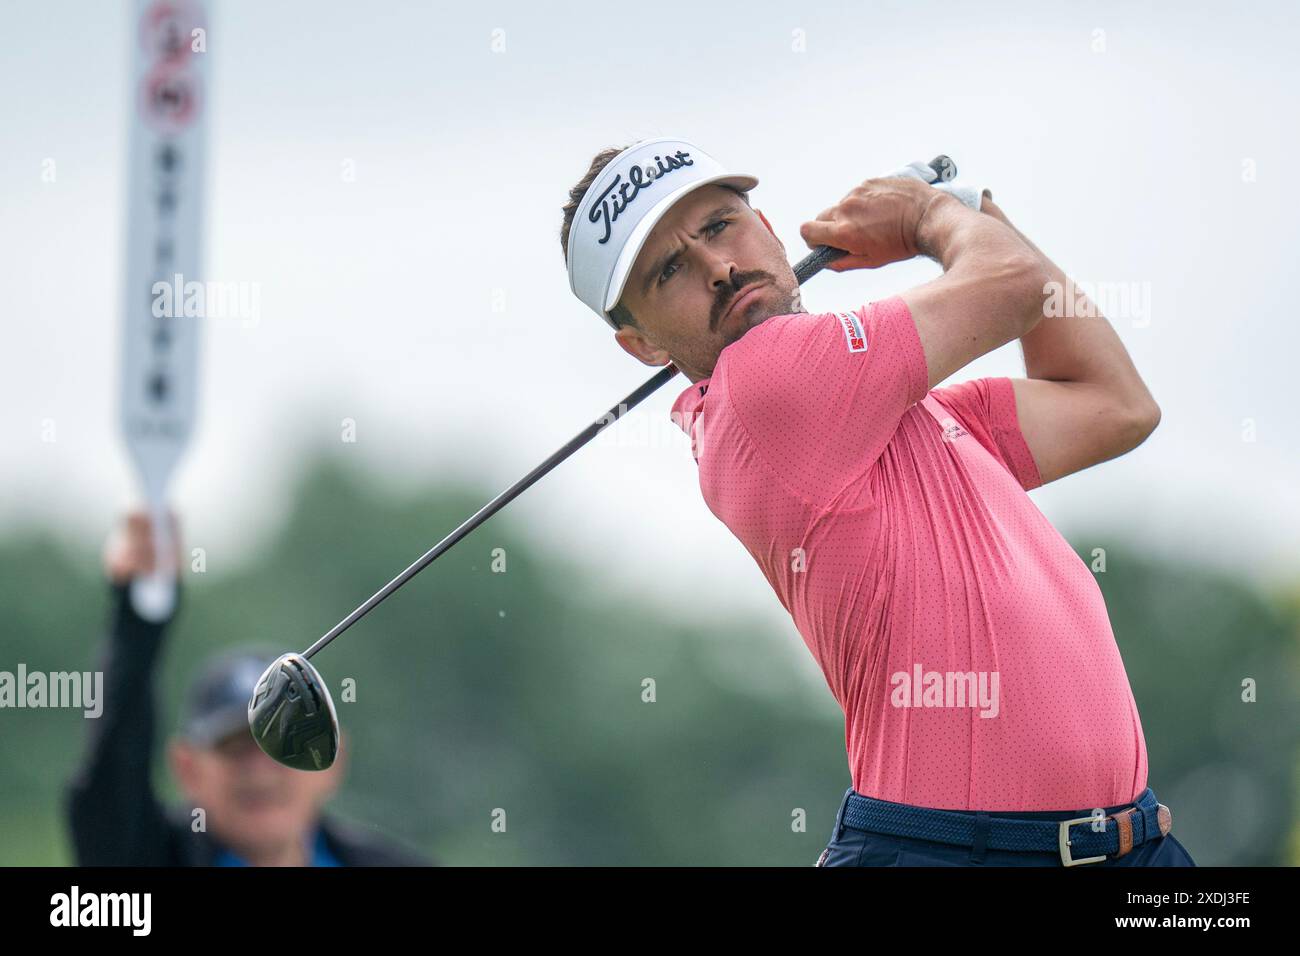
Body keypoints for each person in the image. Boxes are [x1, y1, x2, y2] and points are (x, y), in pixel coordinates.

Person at [557, 137, 1195, 867]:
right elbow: (1015, 283)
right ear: (640, 343)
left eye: (719, 226)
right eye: (671, 269)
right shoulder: (763, 384)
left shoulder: (920, 421)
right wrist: (932, 214)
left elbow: (1115, 405)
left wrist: (976, 212)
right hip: (953, 854)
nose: (719, 268)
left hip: (1136, 844)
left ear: (768, 226)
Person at [65, 512, 430, 866]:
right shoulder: (147, 858)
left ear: (333, 760)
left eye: (286, 745)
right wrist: (140, 618)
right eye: (235, 750)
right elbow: (113, 785)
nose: (260, 772)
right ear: (188, 768)